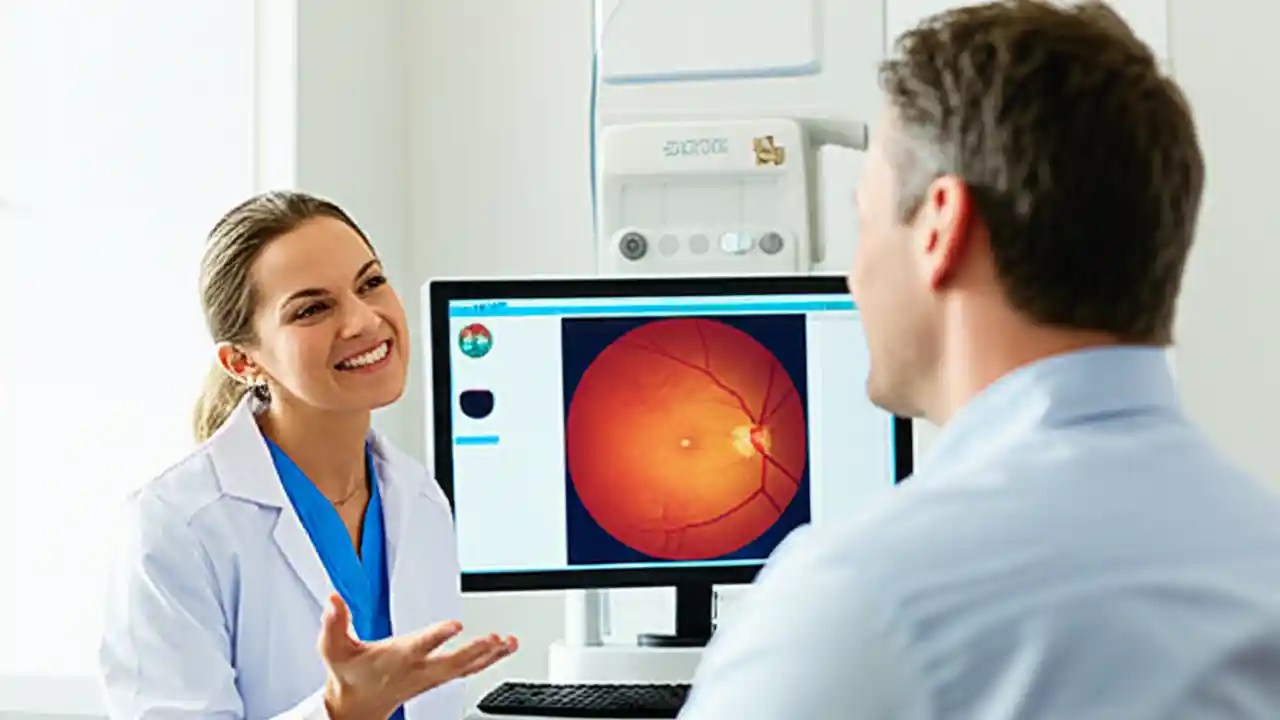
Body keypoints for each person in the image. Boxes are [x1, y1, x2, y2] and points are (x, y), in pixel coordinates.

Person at [679, 2, 1280, 718]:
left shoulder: (858, 604)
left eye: (865, 218)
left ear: (939, 226)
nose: (853, 274)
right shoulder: (1260, 560)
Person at [99, 191, 517, 719]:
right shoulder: (175, 524)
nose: (365, 321)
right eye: (313, 308)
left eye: (371, 283)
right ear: (241, 361)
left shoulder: (419, 500)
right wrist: (339, 712)